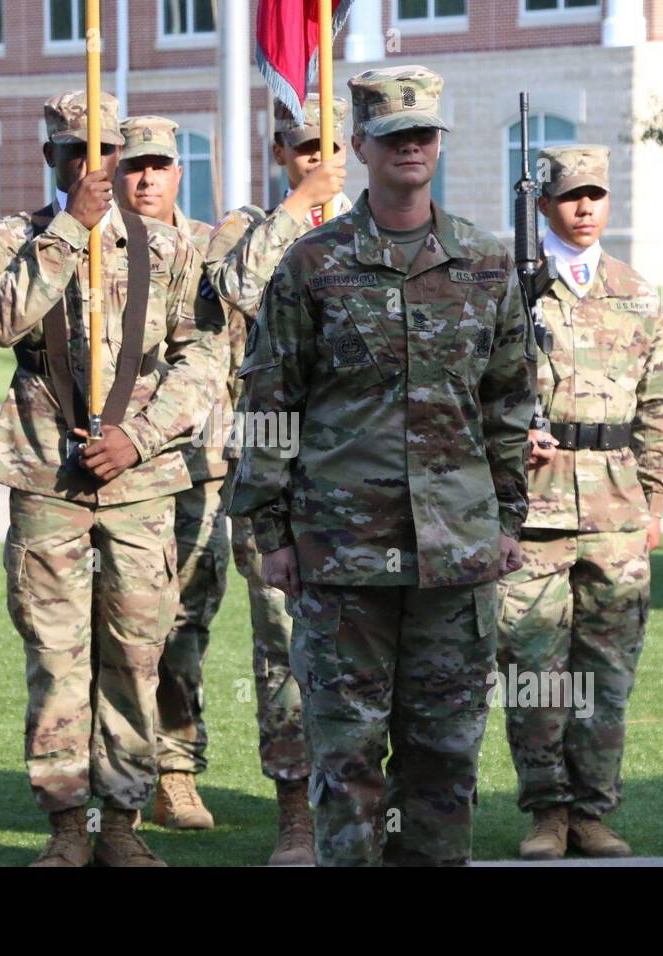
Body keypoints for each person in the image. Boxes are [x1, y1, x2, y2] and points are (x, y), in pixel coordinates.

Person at [228, 65, 534, 867]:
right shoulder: (312, 264)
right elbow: (270, 404)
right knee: (348, 757)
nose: (411, 148)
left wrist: (508, 521)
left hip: (456, 554)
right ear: (360, 145)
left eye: (423, 134)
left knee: (443, 758)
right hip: (342, 556)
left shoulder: (485, 263)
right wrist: (270, 532)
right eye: (393, 136)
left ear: (438, 144)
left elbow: (508, 404)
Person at [0, 90, 224, 866]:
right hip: (47, 473)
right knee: (55, 655)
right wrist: (67, 231)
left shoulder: (170, 248)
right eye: (73, 151)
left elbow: (203, 357)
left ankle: (123, 821)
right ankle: (66, 825)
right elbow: (0, 321)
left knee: (137, 653)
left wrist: (139, 438)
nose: (92, 165)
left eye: (104, 152)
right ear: (50, 159)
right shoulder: (9, 237)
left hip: (141, 482)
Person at [498, 145, 663, 861]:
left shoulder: (636, 293)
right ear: (542, 205)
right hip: (532, 512)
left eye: (595, 195)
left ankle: (594, 813)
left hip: (615, 511)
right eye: (570, 196)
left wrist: (658, 505)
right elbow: (469, 393)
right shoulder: (509, 287)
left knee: (606, 675)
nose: (583, 208)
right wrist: (513, 442)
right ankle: (546, 813)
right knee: (532, 671)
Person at [205, 93, 351, 865]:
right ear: (279, 153)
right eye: (303, 149)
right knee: (283, 642)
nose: (319, 160)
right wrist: (299, 207)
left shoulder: (378, 224)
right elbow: (235, 292)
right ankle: (295, 804)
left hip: (366, 472)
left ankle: (366, 800)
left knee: (373, 639)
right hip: (277, 465)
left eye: (330, 147)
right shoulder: (248, 229)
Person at [115, 114, 222, 830]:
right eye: (133, 165)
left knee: (186, 625)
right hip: (124, 473)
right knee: (125, 629)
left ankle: (176, 770)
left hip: (205, 463)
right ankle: (120, 773)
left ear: (179, 172)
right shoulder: (98, 250)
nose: (148, 177)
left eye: (160, 164)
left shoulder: (215, 245)